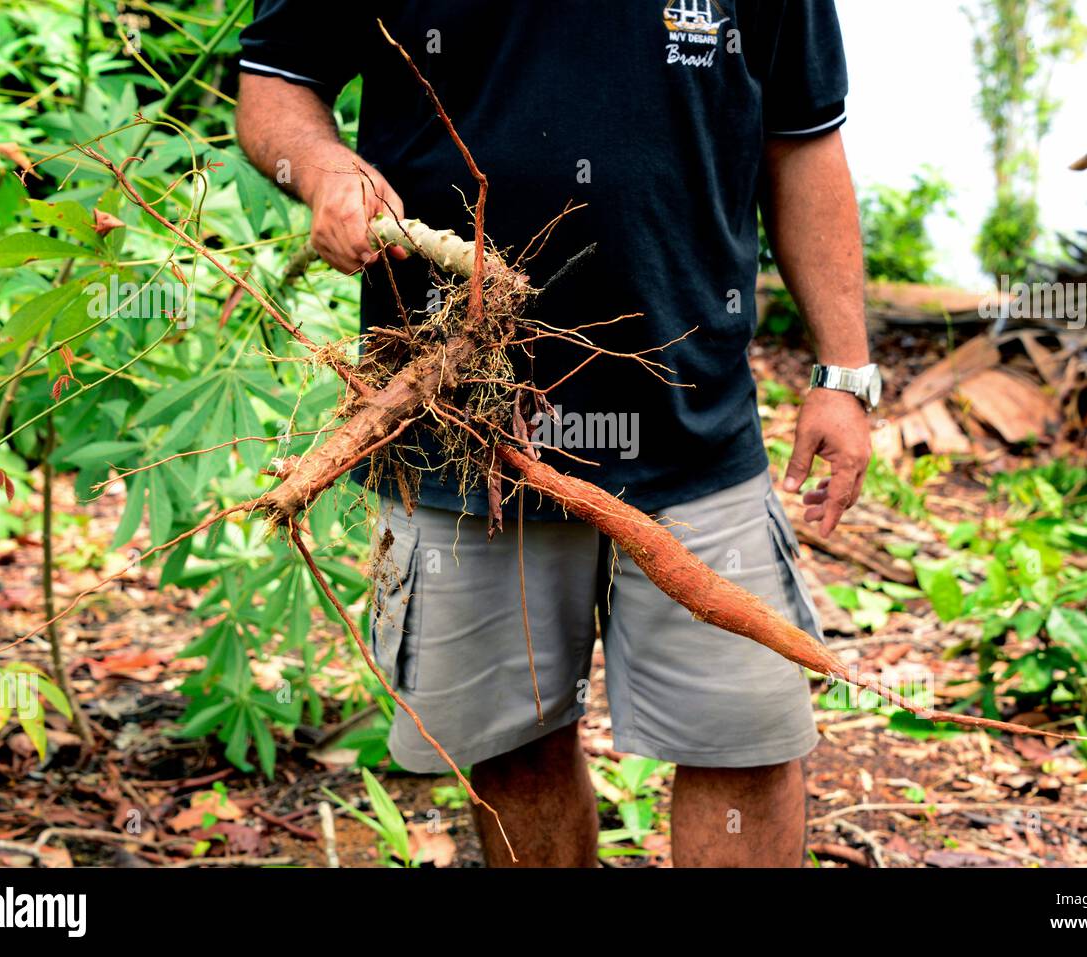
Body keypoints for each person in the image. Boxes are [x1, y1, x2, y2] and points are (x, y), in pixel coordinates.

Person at [236, 0, 877, 867]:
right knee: (513, 748)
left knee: (749, 740)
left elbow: (801, 136)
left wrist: (843, 373)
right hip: (457, 429)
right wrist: (319, 166)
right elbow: (278, 80)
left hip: (697, 425)